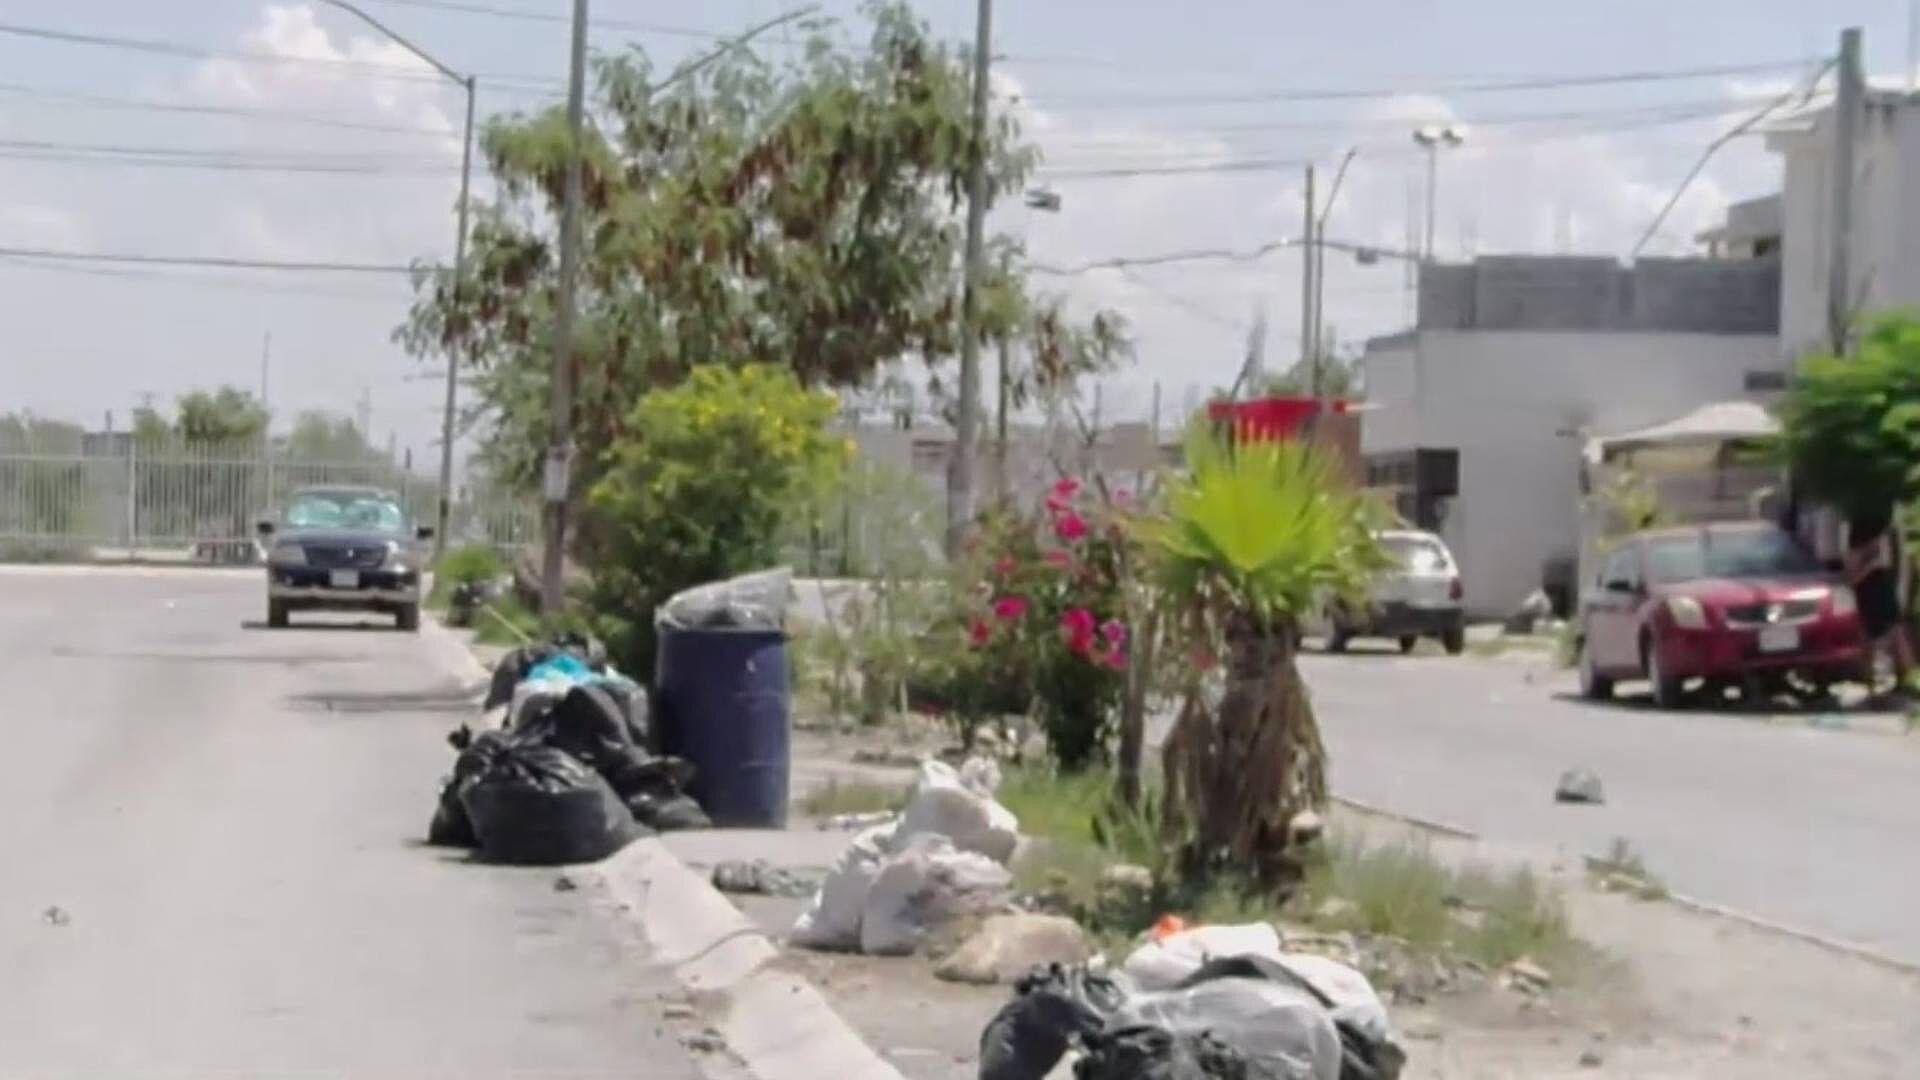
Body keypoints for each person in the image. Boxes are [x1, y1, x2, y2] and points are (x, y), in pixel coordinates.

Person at [1845, 505, 1913, 705]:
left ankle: (1903, 678)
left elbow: (1884, 563)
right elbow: (1856, 573)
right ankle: (1873, 682)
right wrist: (1869, 567)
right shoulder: (1862, 540)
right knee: (1875, 637)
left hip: (1880, 588)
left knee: (1894, 633)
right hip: (1870, 590)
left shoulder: (1882, 537)